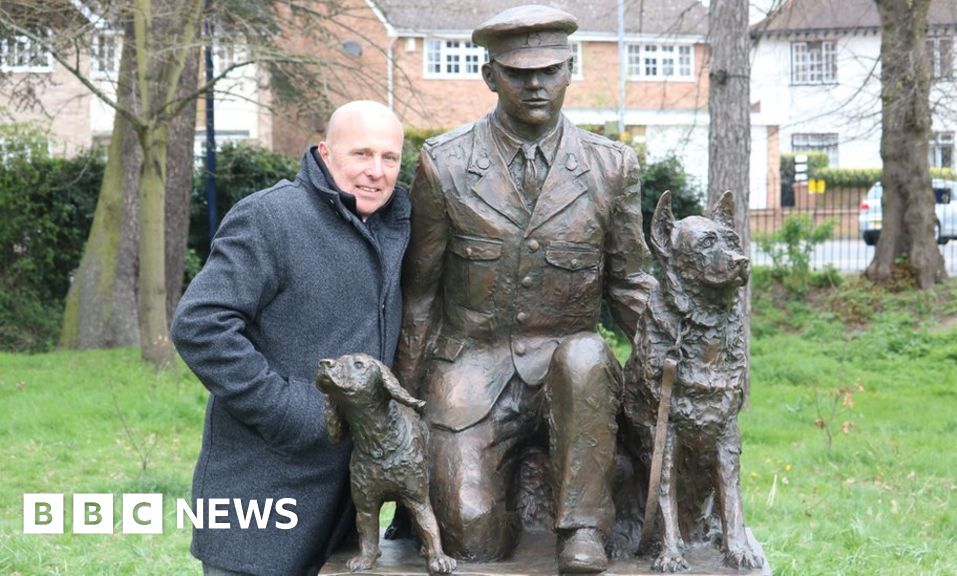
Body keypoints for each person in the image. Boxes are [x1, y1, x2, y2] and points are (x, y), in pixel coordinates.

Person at [393, 5, 654, 574]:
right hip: (472, 373)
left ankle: (583, 529)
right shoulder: (445, 164)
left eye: (550, 71)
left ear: (570, 70)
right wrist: (406, 407)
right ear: (490, 76)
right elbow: (421, 296)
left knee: (585, 353)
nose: (536, 85)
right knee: (471, 543)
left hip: (572, 375)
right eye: (518, 73)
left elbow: (631, 284)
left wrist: (674, 360)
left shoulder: (611, 166)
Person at [171, 100, 408, 576]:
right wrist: (293, 412)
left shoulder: (398, 225)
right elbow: (200, 325)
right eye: (361, 154)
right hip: (260, 501)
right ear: (325, 152)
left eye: (390, 157)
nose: (376, 171)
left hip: (340, 517)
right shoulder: (270, 217)